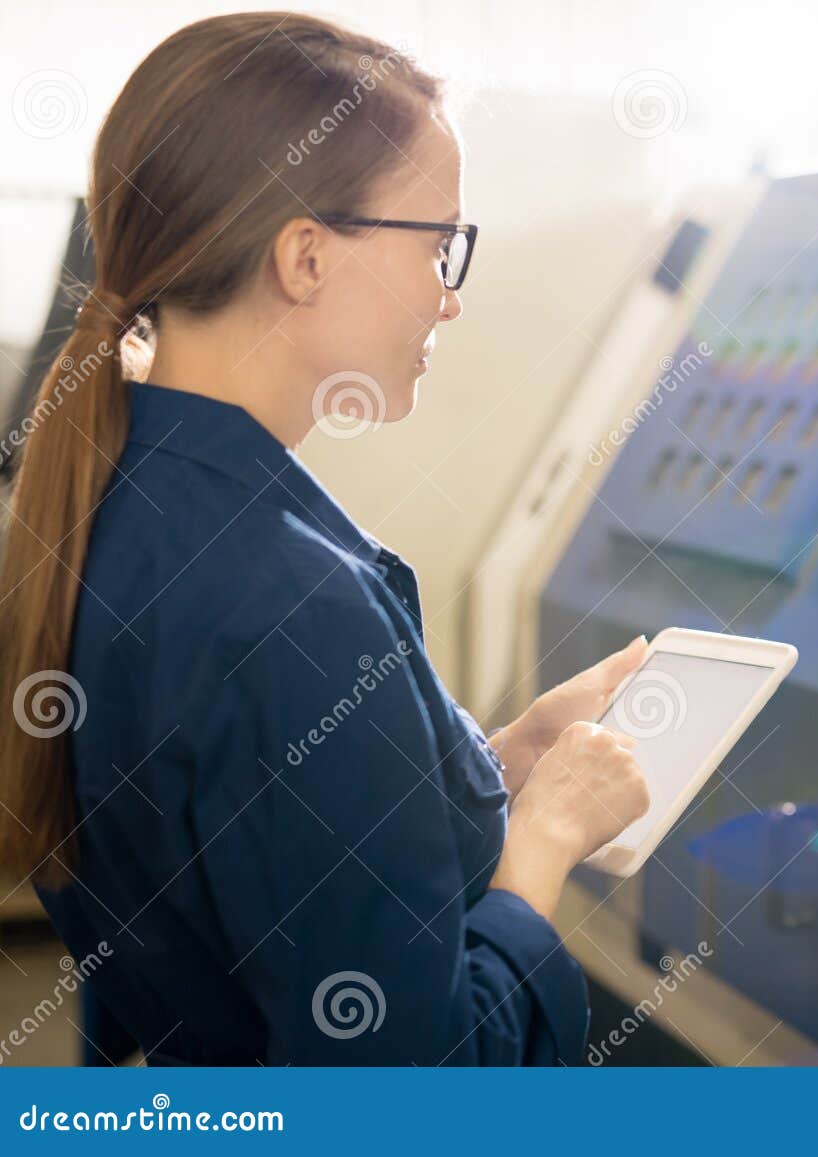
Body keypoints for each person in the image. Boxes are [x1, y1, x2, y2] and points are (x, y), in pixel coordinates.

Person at [0, 11, 650, 1065]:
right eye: (440, 245)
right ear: (304, 255)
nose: (447, 297)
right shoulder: (299, 607)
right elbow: (420, 1081)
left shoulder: (111, 506)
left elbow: (257, 840)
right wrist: (544, 846)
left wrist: (500, 761)